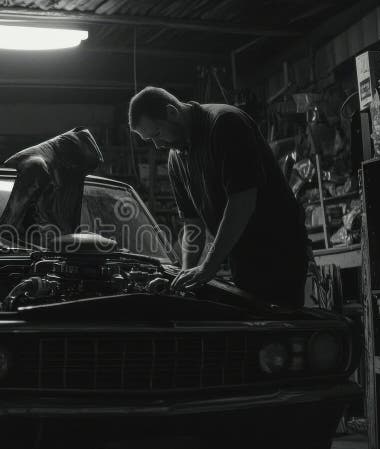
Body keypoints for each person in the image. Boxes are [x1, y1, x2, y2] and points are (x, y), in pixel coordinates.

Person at [128, 86, 308, 308]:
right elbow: (192, 224)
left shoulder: (225, 124)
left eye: (156, 134)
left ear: (172, 112)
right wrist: (183, 276)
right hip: (242, 256)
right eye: (150, 140)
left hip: (278, 249)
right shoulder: (176, 158)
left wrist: (208, 266)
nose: (158, 145)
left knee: (282, 330)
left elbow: (242, 201)